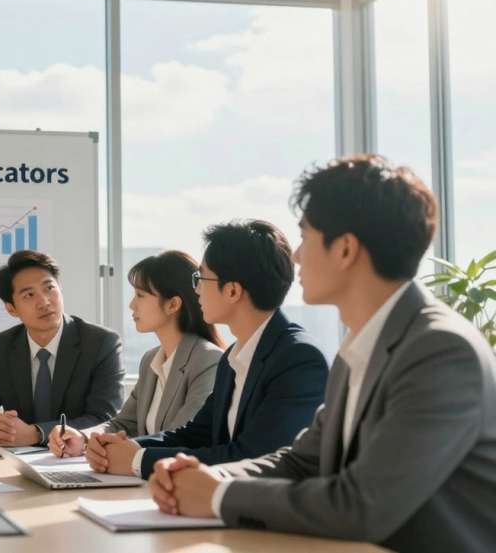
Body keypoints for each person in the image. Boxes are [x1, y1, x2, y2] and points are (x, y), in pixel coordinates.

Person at [149, 156, 496, 553]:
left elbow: (362, 504)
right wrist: (201, 479)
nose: (295, 256)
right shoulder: (360, 348)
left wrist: (216, 497)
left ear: (345, 249)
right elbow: (302, 461)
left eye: (305, 237)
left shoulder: (441, 350)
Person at [86, 220, 328, 478]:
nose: (197, 289)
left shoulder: (298, 358)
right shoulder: (235, 357)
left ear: (233, 290)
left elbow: (255, 456)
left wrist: (138, 460)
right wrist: (125, 448)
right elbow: (197, 434)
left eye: (201, 278)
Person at [49, 251, 224, 457]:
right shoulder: (151, 359)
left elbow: (181, 439)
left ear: (172, 305)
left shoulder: (209, 360)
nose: (132, 304)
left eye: (140, 295)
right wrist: (84, 438)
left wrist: (113, 450)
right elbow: (124, 423)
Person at [0, 250, 126, 446]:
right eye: (29, 295)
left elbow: (105, 419)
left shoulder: (101, 343)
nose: (44, 302)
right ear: (11, 309)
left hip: (79, 460)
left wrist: (36, 434)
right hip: (16, 462)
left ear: (60, 289)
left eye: (49, 288)